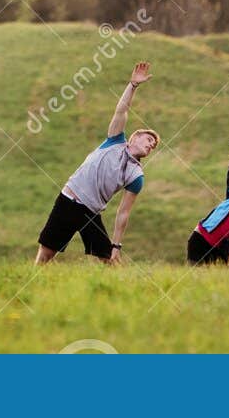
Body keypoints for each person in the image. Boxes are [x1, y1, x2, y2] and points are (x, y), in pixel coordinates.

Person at [35, 62, 157, 265]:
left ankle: (121, 292)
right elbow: (121, 111)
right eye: (148, 139)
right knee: (46, 254)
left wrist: (117, 246)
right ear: (133, 138)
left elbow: (123, 213)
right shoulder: (115, 141)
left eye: (154, 145)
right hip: (68, 199)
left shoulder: (136, 176)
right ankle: (29, 284)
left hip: (91, 212)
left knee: (109, 260)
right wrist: (133, 86)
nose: (151, 144)